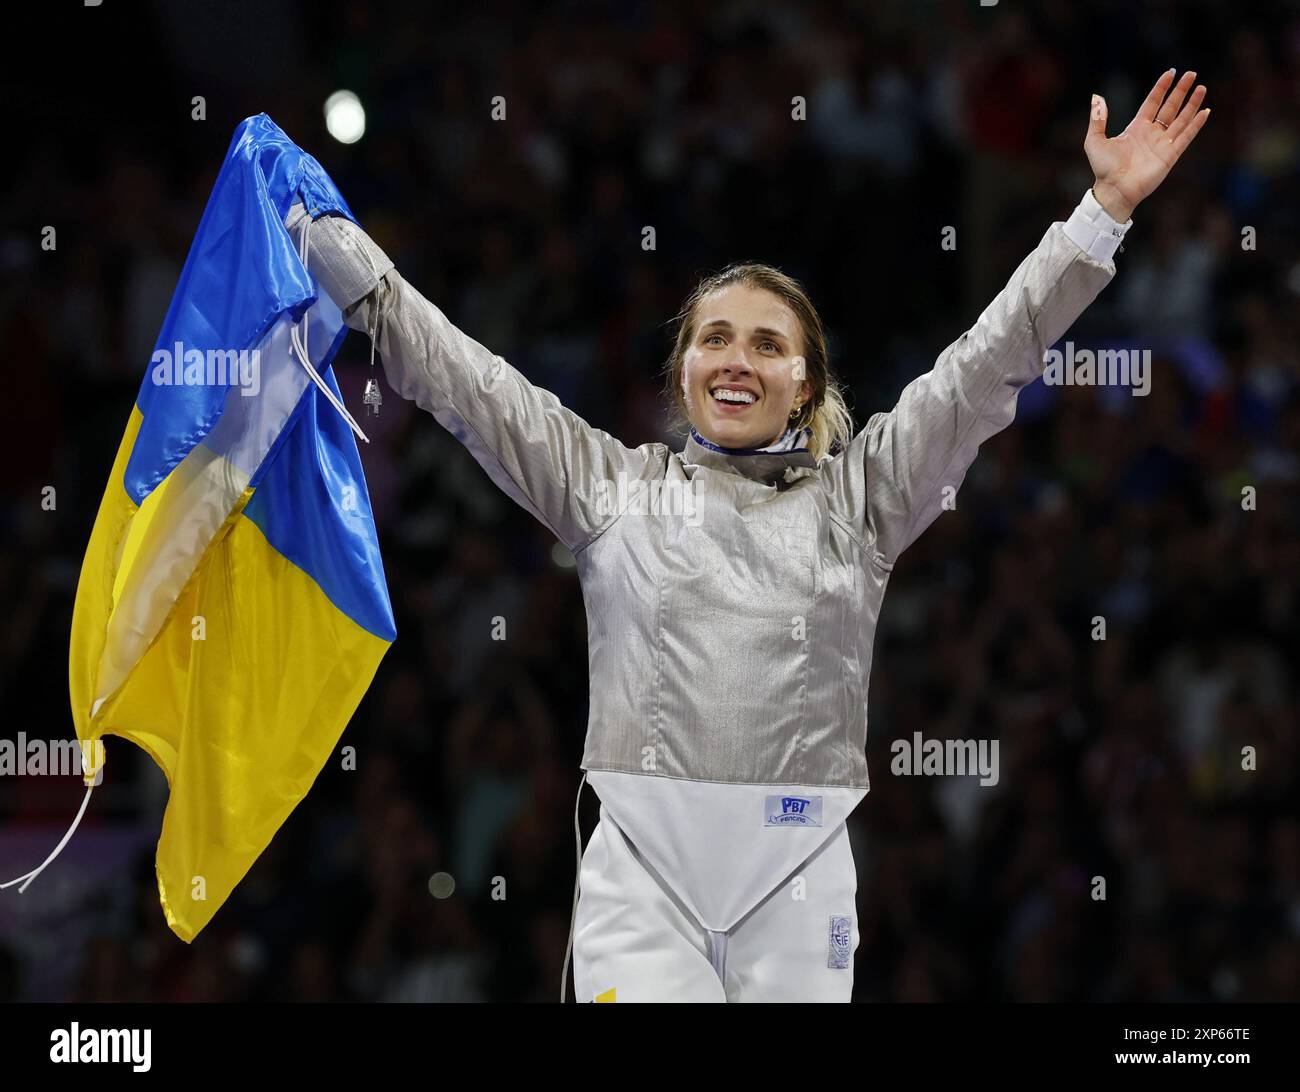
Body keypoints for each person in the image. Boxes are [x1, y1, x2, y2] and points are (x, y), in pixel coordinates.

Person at [290, 70, 1209, 1002]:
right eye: (715, 339)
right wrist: (323, 242)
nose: (738, 361)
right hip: (643, 883)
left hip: (797, 881)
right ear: (683, 368)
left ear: (805, 384)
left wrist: (1103, 211)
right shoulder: (612, 488)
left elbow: (989, 362)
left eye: (768, 345)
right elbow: (464, 381)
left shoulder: (863, 499)